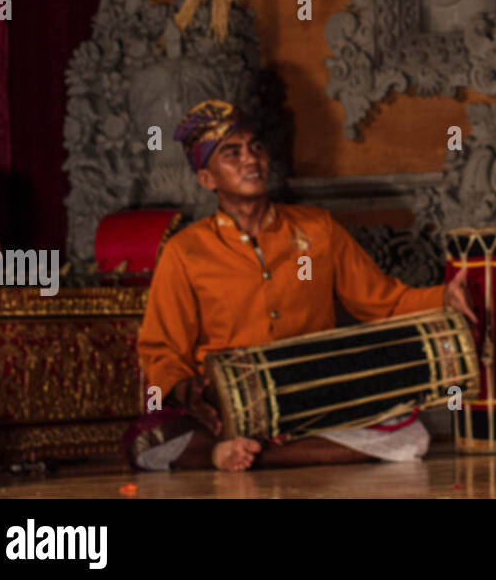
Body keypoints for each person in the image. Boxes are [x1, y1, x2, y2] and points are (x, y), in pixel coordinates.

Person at [124, 99, 476, 472]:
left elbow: (382, 300)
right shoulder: (185, 251)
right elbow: (161, 347)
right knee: (146, 444)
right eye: (231, 153)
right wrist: (186, 391)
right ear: (207, 179)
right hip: (226, 403)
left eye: (255, 147)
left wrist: (443, 295)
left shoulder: (316, 229)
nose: (250, 159)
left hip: (313, 393)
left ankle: (250, 455)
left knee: (410, 437)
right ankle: (229, 447)